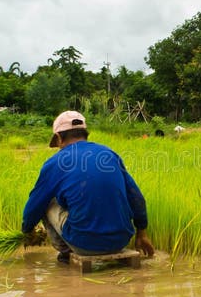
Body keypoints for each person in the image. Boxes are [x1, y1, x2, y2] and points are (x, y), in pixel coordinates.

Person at [22, 110, 155, 262]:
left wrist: (26, 231)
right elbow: (136, 197)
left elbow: (34, 206)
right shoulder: (109, 154)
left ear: (58, 138)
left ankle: (66, 251)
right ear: (85, 134)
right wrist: (142, 233)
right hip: (121, 241)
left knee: (46, 202)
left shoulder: (55, 162)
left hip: (84, 245)